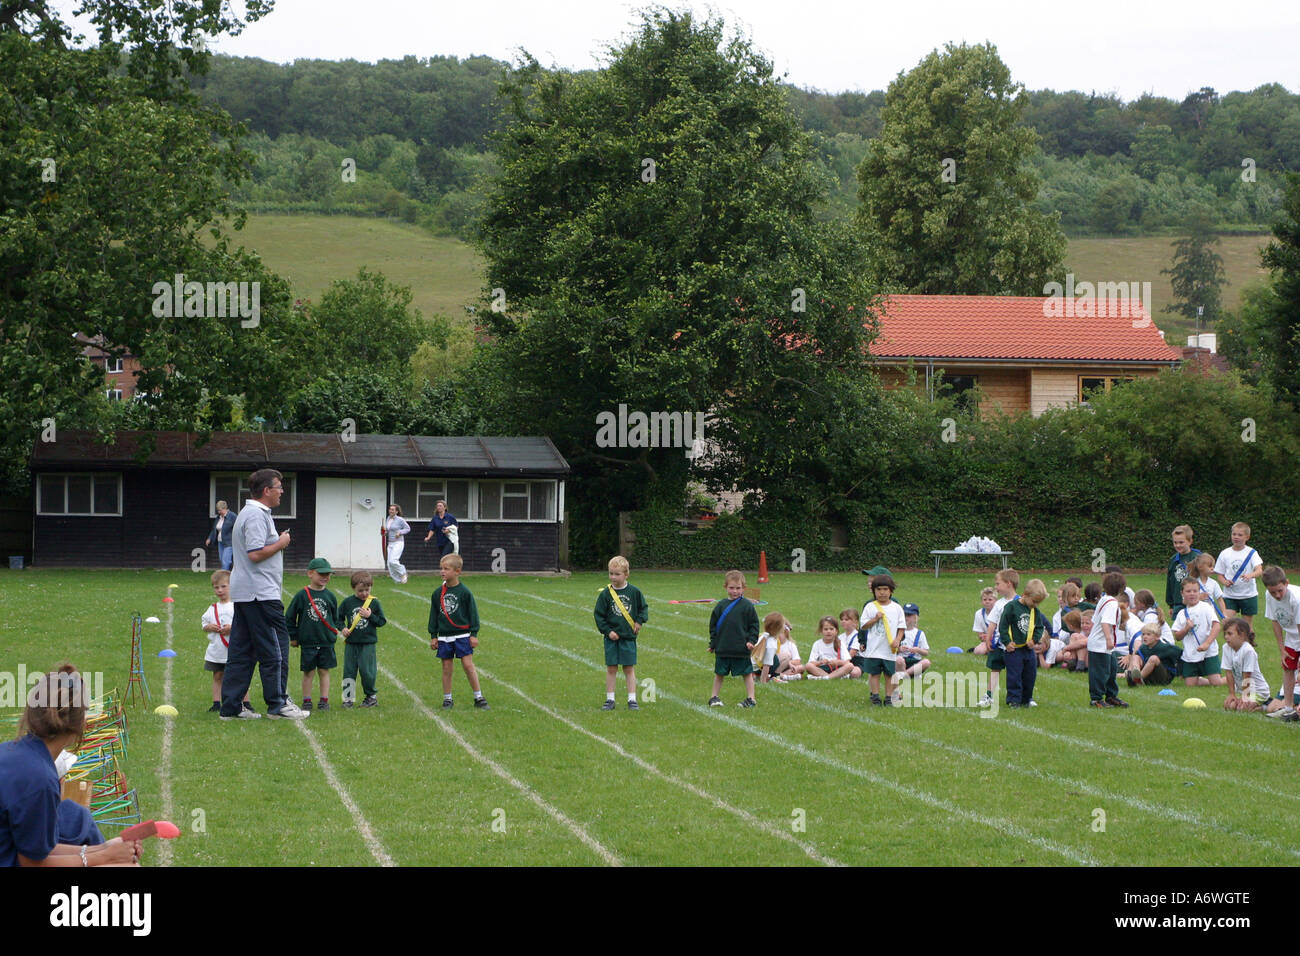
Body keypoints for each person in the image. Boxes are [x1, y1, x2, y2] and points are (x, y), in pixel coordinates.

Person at [0, 665, 141, 866]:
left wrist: (106, 848)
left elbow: (39, 850)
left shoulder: (12, 752)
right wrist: (106, 856)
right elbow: (32, 863)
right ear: (80, 724)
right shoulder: (40, 779)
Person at [222, 468, 309, 720]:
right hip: (260, 595)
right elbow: (255, 553)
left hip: (247, 593)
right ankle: (278, 704)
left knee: (242, 651)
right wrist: (281, 543)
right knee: (275, 649)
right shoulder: (256, 515)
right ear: (266, 490)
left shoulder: (251, 513)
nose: (282, 491)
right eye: (279, 487)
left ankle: (231, 707)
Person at [428, 552, 488, 710]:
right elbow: (433, 614)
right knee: (447, 667)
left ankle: (479, 697)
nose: (442, 571)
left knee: (468, 665)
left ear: (457, 571)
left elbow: (473, 614)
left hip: (462, 635)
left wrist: (474, 634)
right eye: (441, 568)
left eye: (446, 569)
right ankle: (447, 699)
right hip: (445, 637)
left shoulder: (465, 592)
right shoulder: (437, 594)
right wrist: (433, 636)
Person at [286, 557, 341, 712]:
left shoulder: (330, 596)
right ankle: (307, 700)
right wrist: (294, 637)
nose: (325, 577)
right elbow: (289, 617)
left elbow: (334, 618)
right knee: (308, 672)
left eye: (328, 574)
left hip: (326, 641)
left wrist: (335, 634)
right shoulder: (301, 595)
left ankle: (324, 700)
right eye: (321, 574)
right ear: (310, 573)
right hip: (308, 641)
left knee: (324, 671)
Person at [594, 555, 648, 710]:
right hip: (611, 638)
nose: (613, 577)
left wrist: (639, 621)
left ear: (626, 574)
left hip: (628, 638)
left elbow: (643, 608)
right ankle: (610, 699)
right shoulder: (605, 594)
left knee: (628, 668)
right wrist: (607, 631)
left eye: (617, 574)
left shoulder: (634, 592)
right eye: (611, 573)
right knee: (611, 668)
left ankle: (632, 700)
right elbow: (599, 615)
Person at [707, 570, 761, 708]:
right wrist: (713, 644)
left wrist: (751, 641)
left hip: (741, 648)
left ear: (744, 588)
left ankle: (751, 698)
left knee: (747, 673)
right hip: (723, 648)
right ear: (725, 587)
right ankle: (714, 697)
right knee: (719, 673)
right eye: (731, 588)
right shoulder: (720, 606)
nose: (735, 591)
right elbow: (714, 627)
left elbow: (754, 625)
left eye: (738, 588)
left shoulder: (747, 606)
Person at [200, 569, 250, 715]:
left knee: (240, 677)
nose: (220, 590)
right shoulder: (212, 608)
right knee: (218, 675)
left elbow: (246, 625)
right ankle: (217, 702)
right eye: (216, 587)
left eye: (223, 586)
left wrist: (233, 628)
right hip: (217, 650)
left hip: (236, 649)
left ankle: (246, 702)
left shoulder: (237, 606)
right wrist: (209, 627)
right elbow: (204, 623)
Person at [850, 574, 905, 707]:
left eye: (885, 589)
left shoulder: (897, 608)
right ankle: (875, 696)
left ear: (891, 591)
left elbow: (901, 627)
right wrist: (875, 619)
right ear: (874, 591)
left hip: (889, 649)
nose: (882, 592)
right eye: (879, 589)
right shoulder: (870, 606)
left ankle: (888, 697)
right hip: (874, 648)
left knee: (889, 674)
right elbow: (863, 625)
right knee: (874, 673)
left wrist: (897, 640)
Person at [340, 570, 386, 708]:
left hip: (368, 644)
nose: (364, 593)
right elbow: (338, 618)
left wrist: (370, 616)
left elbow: (381, 621)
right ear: (353, 588)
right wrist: (342, 628)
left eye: (367, 590)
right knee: (349, 671)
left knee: (367, 671)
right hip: (351, 643)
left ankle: (371, 697)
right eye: (360, 590)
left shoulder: (374, 603)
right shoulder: (347, 602)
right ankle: (348, 699)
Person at [1262, 565, 1300, 721]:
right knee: (1288, 668)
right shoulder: (1268, 595)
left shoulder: (1296, 598)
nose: (1277, 595)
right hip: (1292, 637)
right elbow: (1275, 621)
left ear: (1287, 583)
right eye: (1273, 592)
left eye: (1280, 590)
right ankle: (1288, 708)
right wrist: (1282, 648)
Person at [1087, 571, 1129, 708]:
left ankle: (1111, 696)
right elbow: (1105, 622)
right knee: (1100, 673)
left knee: (1111, 670)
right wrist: (1108, 639)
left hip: (1101, 644)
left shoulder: (1104, 599)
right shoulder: (1111, 604)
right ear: (1121, 589)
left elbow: (1095, 620)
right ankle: (1096, 699)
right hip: (1101, 645)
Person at [1173, 577, 1225, 687]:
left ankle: (1232, 678)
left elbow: (1216, 626)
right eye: (1188, 591)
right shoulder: (1181, 613)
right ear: (1182, 593)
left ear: (1199, 592)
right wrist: (1186, 628)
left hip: (1209, 651)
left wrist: (1207, 643)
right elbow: (1177, 636)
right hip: (1190, 653)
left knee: (1216, 683)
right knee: (1190, 685)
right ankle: (1200, 678)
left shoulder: (1206, 607)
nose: (1192, 594)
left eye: (1195, 591)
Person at [1214, 522, 1264, 625]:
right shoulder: (1225, 553)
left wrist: (1250, 575)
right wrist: (1224, 582)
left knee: (1247, 627)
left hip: (1248, 595)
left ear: (1247, 537)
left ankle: (1249, 641)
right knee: (1226, 623)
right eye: (1234, 534)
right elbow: (1219, 574)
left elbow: (1259, 570)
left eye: (1240, 535)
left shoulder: (1252, 553)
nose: (1236, 537)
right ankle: (1231, 641)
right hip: (1230, 595)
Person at [1221, 618, 1272, 712]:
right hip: (1242, 690)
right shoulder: (1226, 648)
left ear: (1242, 635)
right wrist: (1232, 694)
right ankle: (1251, 703)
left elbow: (1247, 675)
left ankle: (1266, 706)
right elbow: (1228, 672)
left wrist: (1245, 697)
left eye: (1230, 633)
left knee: (1242, 709)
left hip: (1258, 691)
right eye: (1225, 634)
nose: (1226, 637)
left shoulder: (1248, 650)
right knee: (1230, 706)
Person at [1166, 524, 1202, 619]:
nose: (1178, 545)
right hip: (1179, 602)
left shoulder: (1198, 557)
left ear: (1190, 541)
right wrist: (1171, 604)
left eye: (1181, 542)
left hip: (1195, 600)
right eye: (1175, 542)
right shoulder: (1173, 560)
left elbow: (1205, 579)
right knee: (1179, 630)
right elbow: (1170, 582)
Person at [896, 603, 931, 682]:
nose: (906, 618)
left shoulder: (920, 633)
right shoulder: (897, 631)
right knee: (898, 660)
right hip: (901, 661)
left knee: (926, 662)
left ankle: (905, 675)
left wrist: (918, 650)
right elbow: (890, 649)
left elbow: (926, 652)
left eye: (909, 615)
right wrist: (899, 649)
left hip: (915, 662)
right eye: (904, 615)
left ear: (915, 617)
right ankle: (907, 675)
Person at [383, 504, 412, 584]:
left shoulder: (400, 519)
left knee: (393, 561)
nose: (391, 511)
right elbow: (388, 531)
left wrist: (400, 532)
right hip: (390, 543)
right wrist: (384, 532)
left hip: (398, 542)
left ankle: (403, 573)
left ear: (396, 511)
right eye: (390, 509)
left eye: (393, 510)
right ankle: (398, 581)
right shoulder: (388, 519)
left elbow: (408, 528)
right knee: (389, 564)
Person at [205, 499, 236, 571]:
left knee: (226, 561)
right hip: (220, 542)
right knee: (222, 560)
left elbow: (238, 528)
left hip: (229, 543)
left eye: (220, 510)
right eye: (218, 510)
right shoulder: (218, 517)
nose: (219, 512)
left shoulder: (232, 516)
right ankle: (231, 575)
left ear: (225, 508)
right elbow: (214, 529)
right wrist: (209, 538)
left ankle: (223, 578)